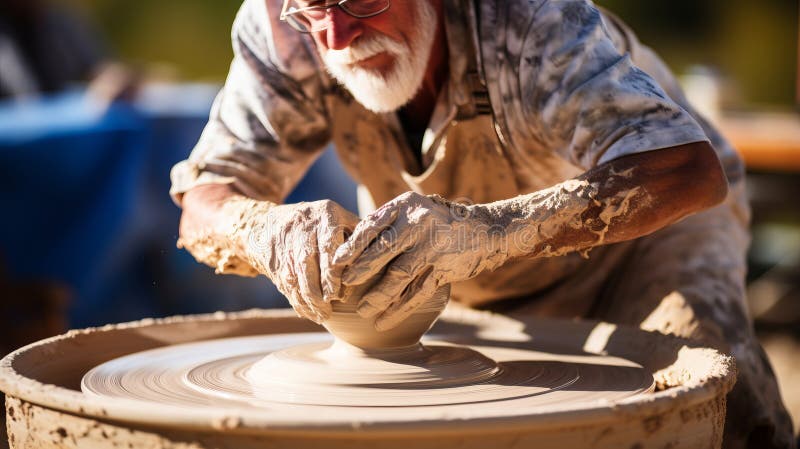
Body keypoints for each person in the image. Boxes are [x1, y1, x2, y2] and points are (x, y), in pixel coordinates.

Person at [170, 0, 794, 447]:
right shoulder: (284, 28)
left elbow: (687, 170)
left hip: (653, 234)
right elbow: (206, 199)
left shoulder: (531, 21)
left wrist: (493, 231)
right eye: (314, 9)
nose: (336, 36)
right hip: (457, 261)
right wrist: (260, 228)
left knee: (706, 382)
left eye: (360, 2)